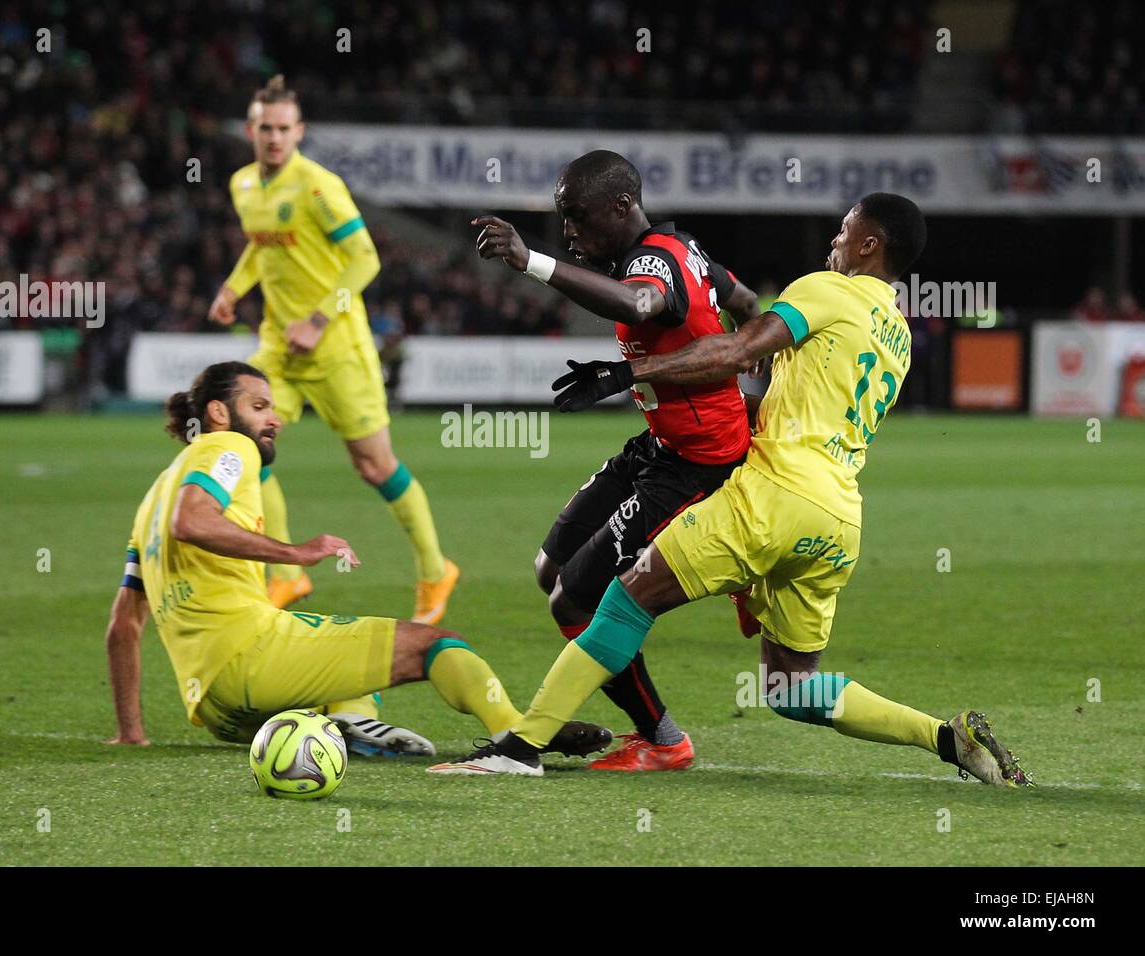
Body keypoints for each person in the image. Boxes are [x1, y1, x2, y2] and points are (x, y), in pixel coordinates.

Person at [432, 194, 1032, 789]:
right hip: (838, 519)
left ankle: (521, 747)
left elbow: (740, 350)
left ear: (870, 244)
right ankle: (946, 737)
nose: (832, 244)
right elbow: (789, 396)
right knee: (790, 688)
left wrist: (629, 373)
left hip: (775, 496)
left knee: (624, 601)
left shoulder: (825, 290)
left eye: (844, 232)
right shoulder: (896, 334)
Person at [104, 361, 610, 768]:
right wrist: (295, 553)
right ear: (217, 413)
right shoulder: (229, 446)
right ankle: (519, 739)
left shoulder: (150, 501)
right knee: (436, 644)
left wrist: (131, 733)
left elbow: (123, 626)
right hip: (253, 659)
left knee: (346, 658)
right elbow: (192, 522)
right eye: (258, 407)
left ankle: (352, 723)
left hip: (219, 711)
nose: (273, 419)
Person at [467, 150, 761, 772]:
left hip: (697, 465)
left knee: (573, 601)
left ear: (620, 207)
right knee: (550, 567)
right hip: (659, 448)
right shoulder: (685, 247)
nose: (569, 231)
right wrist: (752, 359)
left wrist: (531, 261)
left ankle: (663, 740)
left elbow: (640, 305)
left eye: (576, 216)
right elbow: (745, 300)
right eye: (560, 218)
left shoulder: (655, 259)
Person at [208, 76, 459, 631]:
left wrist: (320, 317)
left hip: (339, 348)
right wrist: (233, 287)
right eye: (264, 128)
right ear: (252, 130)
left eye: (284, 129)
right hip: (279, 347)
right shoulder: (244, 185)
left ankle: (435, 568)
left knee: (374, 466)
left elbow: (365, 258)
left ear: (298, 132)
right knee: (244, 441)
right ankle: (285, 574)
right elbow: (260, 245)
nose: (274, 138)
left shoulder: (318, 186)